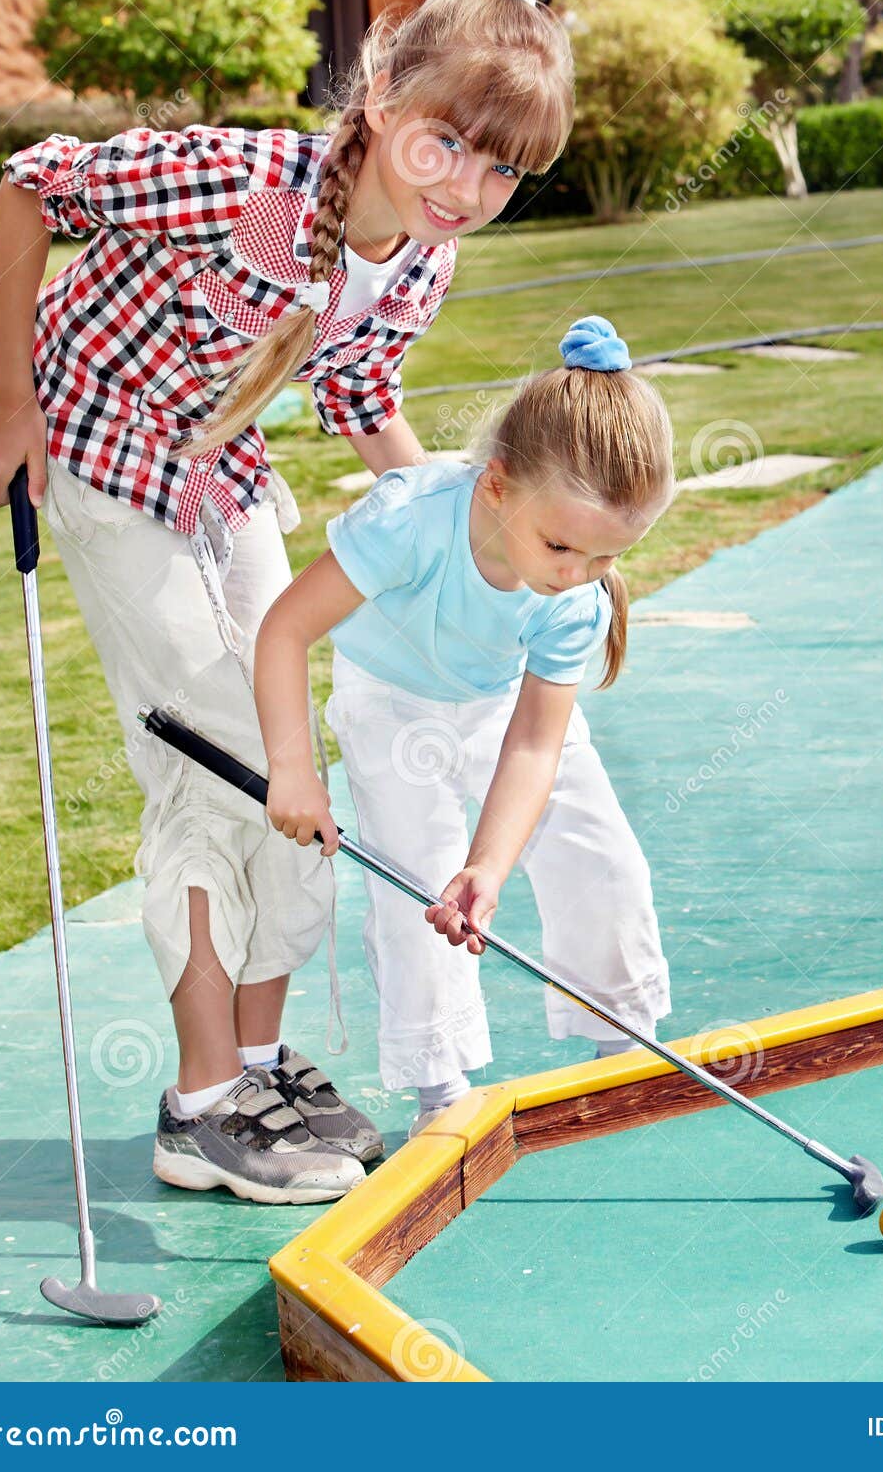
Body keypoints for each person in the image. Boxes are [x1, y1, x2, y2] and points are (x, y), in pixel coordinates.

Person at [0, 0, 574, 1203]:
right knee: (221, 754)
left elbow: (358, 394)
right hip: (97, 441)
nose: (466, 186)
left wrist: (482, 522)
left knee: (288, 741)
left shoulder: (418, 258)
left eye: (502, 169)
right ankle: (198, 1101)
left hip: (221, 458)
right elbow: (31, 182)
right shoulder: (246, 184)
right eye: (446, 143)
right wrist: (12, 397)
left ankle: (254, 1061)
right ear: (385, 95)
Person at [254, 315, 675, 1138]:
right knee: (415, 877)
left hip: (495, 701)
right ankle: (439, 1088)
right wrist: (293, 766)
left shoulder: (575, 599)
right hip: (390, 700)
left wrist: (488, 865)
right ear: (497, 485)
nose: (579, 576)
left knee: (603, 856)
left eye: (607, 558)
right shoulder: (409, 519)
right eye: (562, 547)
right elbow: (285, 631)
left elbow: (533, 745)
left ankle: (622, 1043)